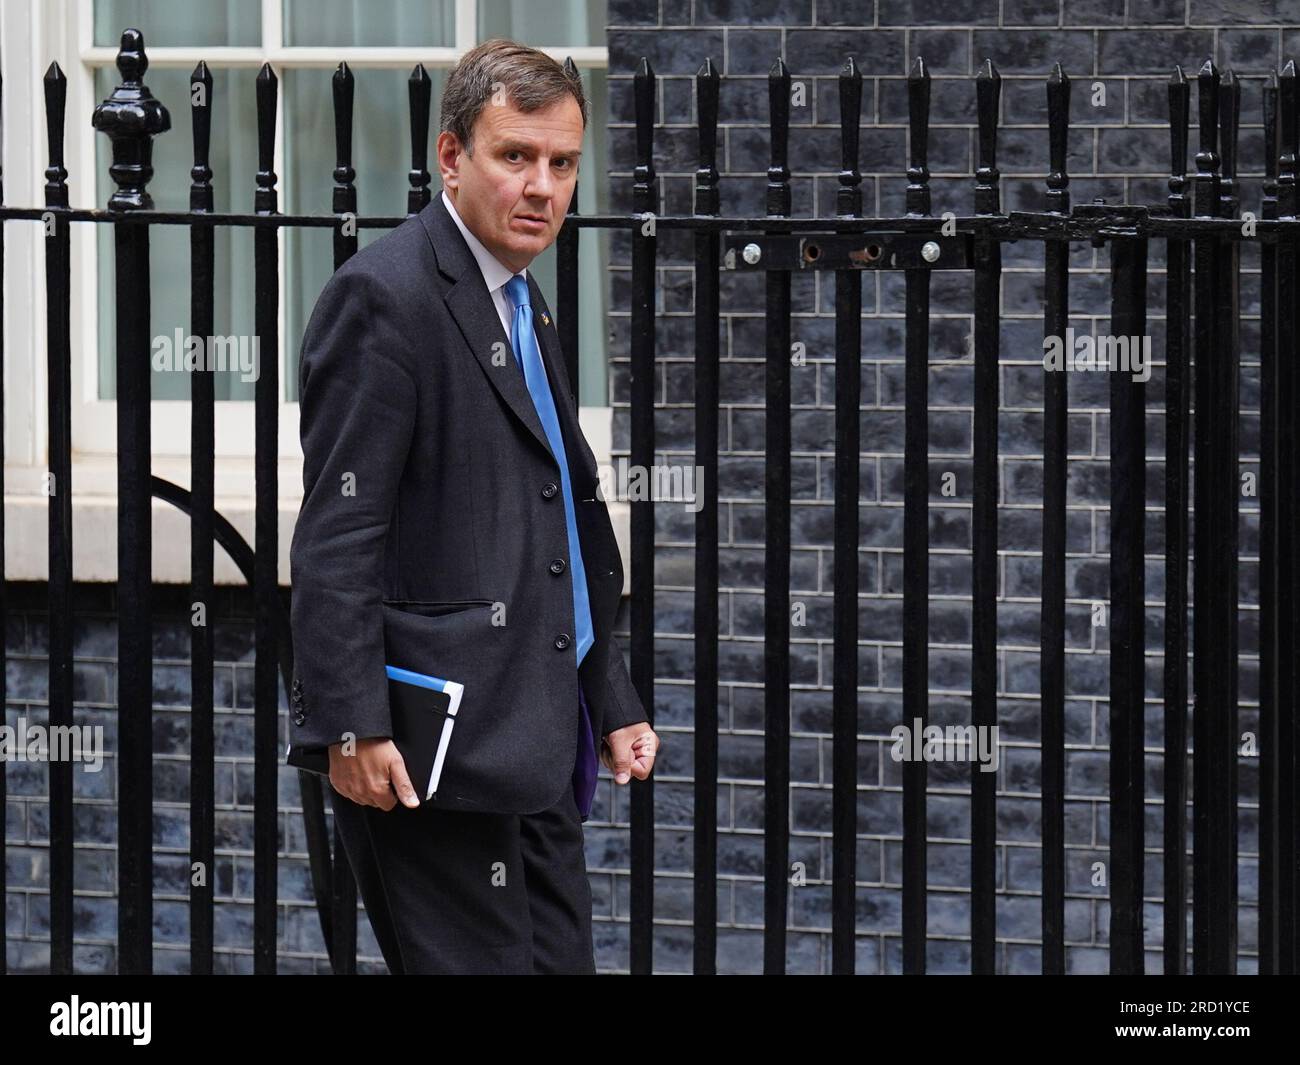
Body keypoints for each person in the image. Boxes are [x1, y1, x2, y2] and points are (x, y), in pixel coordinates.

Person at [288, 37, 659, 974]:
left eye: (562, 162)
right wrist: (351, 723)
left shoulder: (523, 302)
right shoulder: (383, 297)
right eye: (515, 156)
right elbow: (339, 532)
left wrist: (606, 693)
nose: (542, 186)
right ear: (451, 158)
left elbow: (564, 515)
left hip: (536, 745)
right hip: (430, 758)